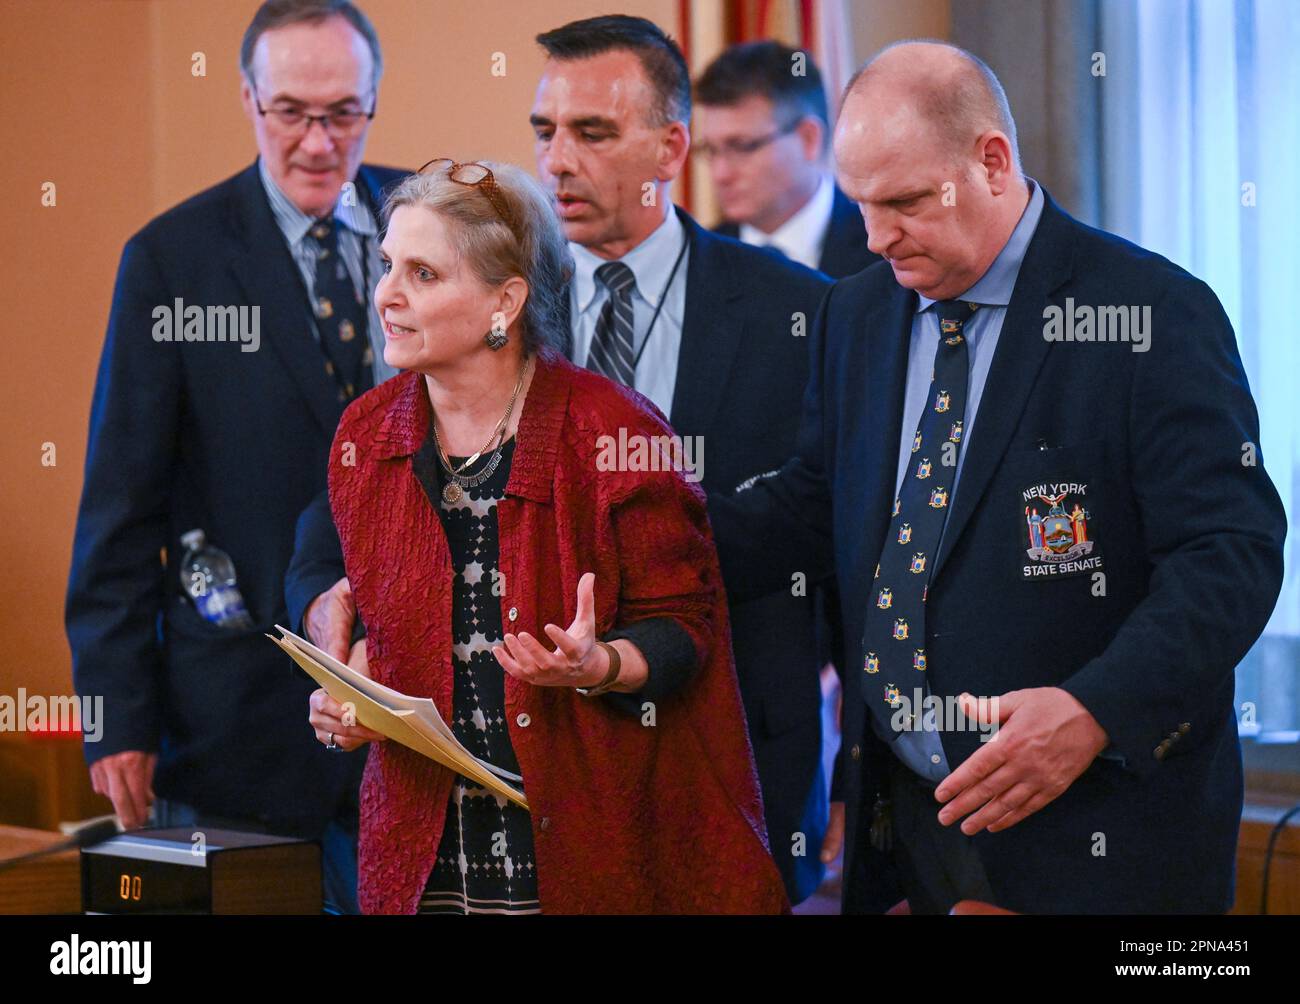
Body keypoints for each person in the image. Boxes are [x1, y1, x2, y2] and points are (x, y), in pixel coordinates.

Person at [708, 40, 1287, 914]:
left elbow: (1230, 555)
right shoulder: (857, 310)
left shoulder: (1150, 311)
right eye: (862, 204)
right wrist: (631, 521)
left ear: (991, 162)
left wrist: (1094, 709)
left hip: (1096, 835)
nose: (874, 237)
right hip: (909, 831)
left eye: (903, 202)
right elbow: (818, 499)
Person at [287, 15, 840, 904]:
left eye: (592, 132)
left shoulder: (801, 310)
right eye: (545, 131)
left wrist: (608, 566)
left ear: (670, 147)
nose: (557, 160)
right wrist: (336, 623)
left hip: (703, 749)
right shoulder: (443, 323)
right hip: (460, 799)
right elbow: (350, 517)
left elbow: (821, 516)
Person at [65, 0, 403, 914]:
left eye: (344, 113)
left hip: (418, 720)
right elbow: (119, 512)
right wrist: (115, 720)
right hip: (236, 727)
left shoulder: (433, 225)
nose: (319, 141)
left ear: (374, 101)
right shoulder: (173, 261)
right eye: (290, 111)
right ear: (247, 98)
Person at [696, 40, 879, 278]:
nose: (720, 174)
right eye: (711, 150)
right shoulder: (699, 262)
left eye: (742, 146)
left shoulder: (884, 251)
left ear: (808, 139)